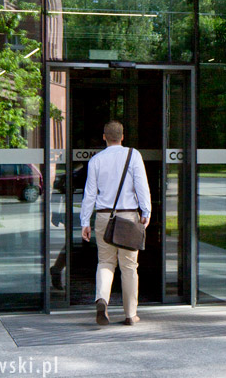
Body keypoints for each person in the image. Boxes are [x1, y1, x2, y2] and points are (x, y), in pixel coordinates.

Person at [80, 120, 151, 326]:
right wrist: (146, 211)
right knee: (129, 266)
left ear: (104, 137)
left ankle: (102, 299)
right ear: (122, 136)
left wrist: (85, 221)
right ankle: (130, 314)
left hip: (104, 217)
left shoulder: (96, 160)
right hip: (128, 217)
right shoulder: (133, 155)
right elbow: (142, 185)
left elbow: (90, 194)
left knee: (105, 262)